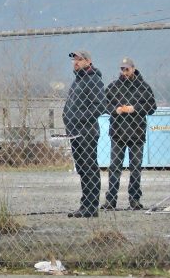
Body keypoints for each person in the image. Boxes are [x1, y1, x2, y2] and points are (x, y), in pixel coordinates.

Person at [103, 57, 157, 211]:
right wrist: (115, 110)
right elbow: (103, 104)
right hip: (118, 133)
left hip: (137, 133)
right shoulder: (113, 87)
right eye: (122, 69)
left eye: (127, 69)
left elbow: (152, 107)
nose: (124, 72)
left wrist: (136, 109)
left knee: (135, 168)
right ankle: (111, 200)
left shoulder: (144, 87)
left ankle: (134, 199)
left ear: (133, 68)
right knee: (114, 167)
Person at [63, 49, 108, 218]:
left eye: (79, 59)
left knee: (89, 168)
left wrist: (79, 117)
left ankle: (91, 206)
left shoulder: (93, 80)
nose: (75, 62)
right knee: (82, 169)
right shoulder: (78, 80)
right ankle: (85, 205)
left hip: (87, 132)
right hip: (74, 133)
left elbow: (100, 105)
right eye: (74, 59)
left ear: (88, 61)